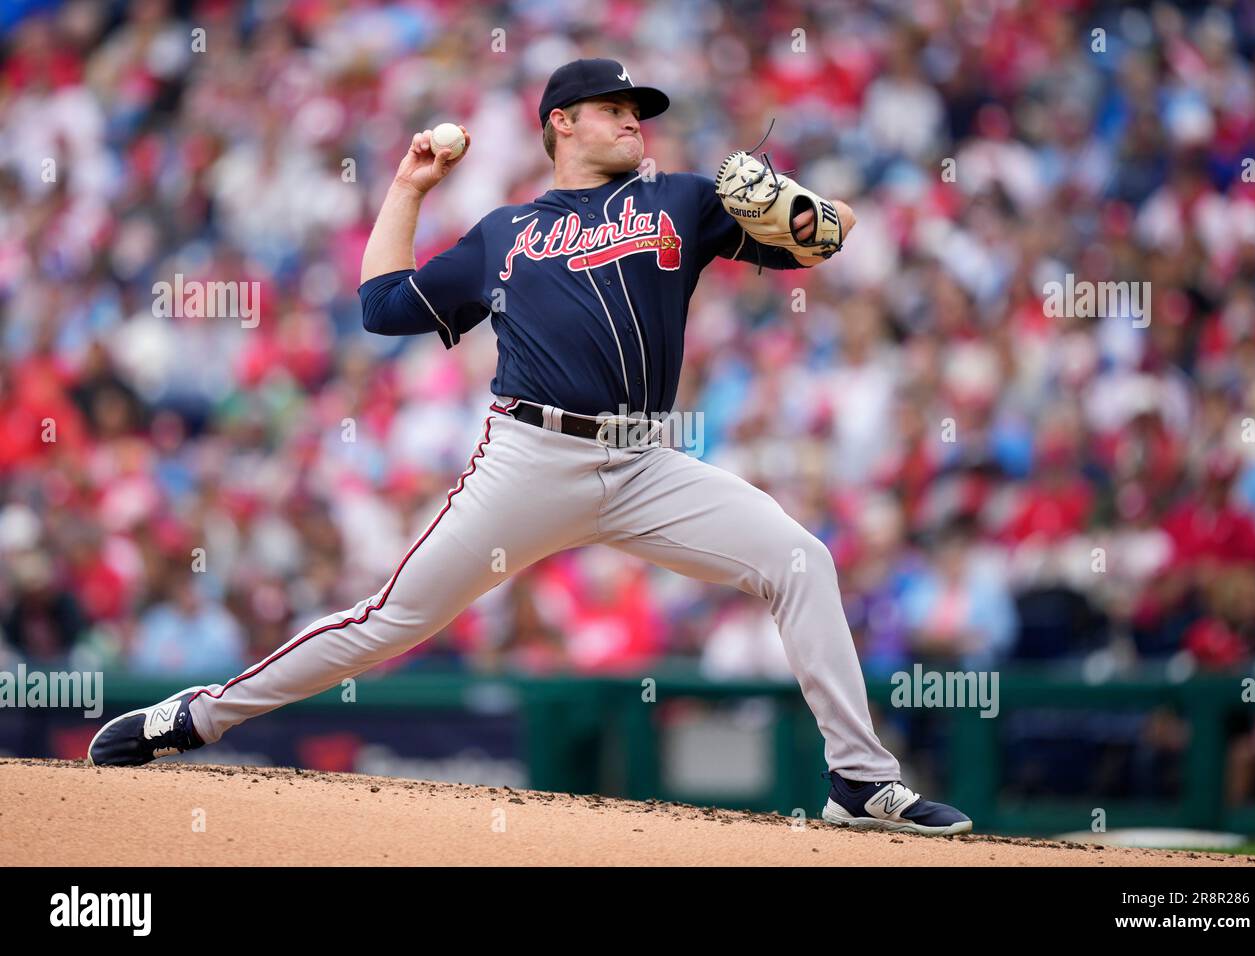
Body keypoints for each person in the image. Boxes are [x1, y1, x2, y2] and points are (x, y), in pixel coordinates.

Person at [88, 58, 971, 836]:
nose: (635, 120)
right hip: (528, 460)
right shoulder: (504, 234)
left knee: (799, 557)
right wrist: (409, 187)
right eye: (615, 106)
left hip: (644, 464)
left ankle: (859, 779)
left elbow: (830, 239)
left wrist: (806, 209)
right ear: (562, 121)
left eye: (641, 109)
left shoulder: (684, 199)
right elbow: (381, 304)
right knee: (388, 621)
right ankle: (197, 718)